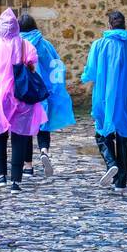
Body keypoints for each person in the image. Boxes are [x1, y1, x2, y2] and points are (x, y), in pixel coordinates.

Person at [80, 10, 127, 192]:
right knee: (125, 137)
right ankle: (121, 182)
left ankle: (111, 162)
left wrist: (85, 76)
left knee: (102, 132)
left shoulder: (99, 45)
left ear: (109, 25)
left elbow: (91, 71)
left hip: (104, 96)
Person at [0, 8, 46, 193]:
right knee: (20, 137)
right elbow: (33, 69)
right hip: (22, 96)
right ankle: (16, 180)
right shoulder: (27, 46)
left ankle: (0, 174)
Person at [18, 13, 75, 178]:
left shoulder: (18, 45)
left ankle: (27, 166)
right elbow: (57, 66)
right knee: (43, 123)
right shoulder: (46, 45)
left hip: (25, 92)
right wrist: (55, 87)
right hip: (43, 92)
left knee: (26, 129)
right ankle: (44, 151)